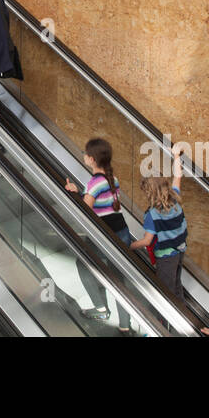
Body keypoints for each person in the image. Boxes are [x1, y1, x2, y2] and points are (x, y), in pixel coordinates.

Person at [66, 137, 135, 323]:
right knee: (119, 280)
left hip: (105, 235)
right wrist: (80, 193)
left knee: (83, 265)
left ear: (92, 159)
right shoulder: (113, 178)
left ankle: (101, 308)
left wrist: (75, 194)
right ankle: (124, 324)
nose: (84, 156)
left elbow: (86, 209)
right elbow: (100, 204)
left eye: (86, 154)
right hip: (121, 232)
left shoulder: (94, 183)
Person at [130, 145, 187, 299]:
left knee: (166, 291)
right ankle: (181, 308)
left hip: (166, 256)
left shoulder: (152, 215)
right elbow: (178, 176)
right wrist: (176, 155)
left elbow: (147, 240)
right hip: (180, 249)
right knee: (176, 283)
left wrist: (129, 246)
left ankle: (169, 319)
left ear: (149, 193)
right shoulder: (175, 197)